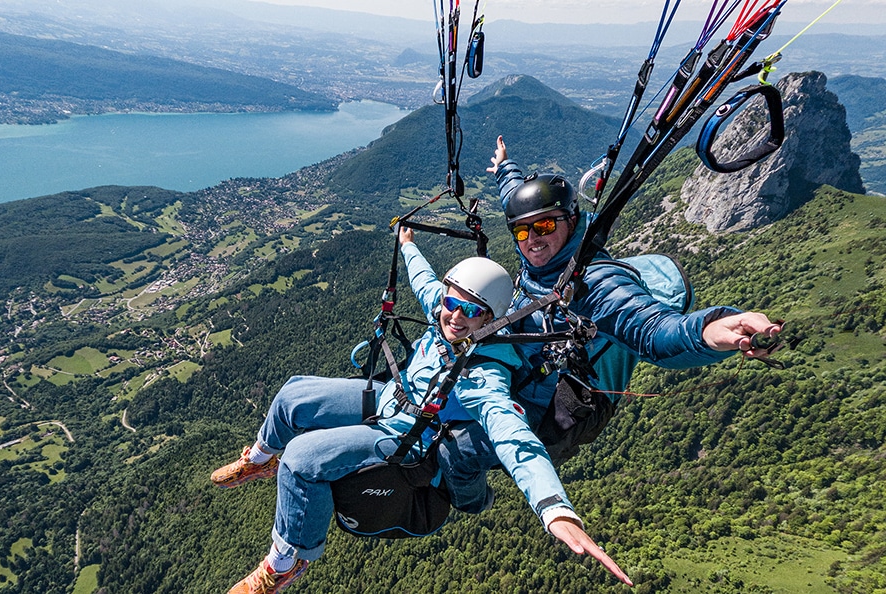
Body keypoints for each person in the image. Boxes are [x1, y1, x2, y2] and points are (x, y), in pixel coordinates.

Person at [212, 228, 634, 593]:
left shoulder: (484, 372)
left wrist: (554, 507)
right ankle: (259, 459)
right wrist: (408, 243)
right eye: (453, 302)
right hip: (390, 397)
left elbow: (511, 433)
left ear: (491, 319)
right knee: (293, 394)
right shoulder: (444, 309)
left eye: (471, 311)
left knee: (302, 460)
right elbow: (424, 281)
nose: (455, 315)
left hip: (408, 437)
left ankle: (285, 563)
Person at [432, 135, 785, 507]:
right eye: (522, 231)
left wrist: (714, 328)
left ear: (571, 220)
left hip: (559, 400)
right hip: (526, 365)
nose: (532, 239)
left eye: (545, 227)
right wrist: (505, 166)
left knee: (455, 453)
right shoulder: (544, 256)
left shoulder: (598, 284)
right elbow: (516, 199)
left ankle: (474, 502)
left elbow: (655, 333)